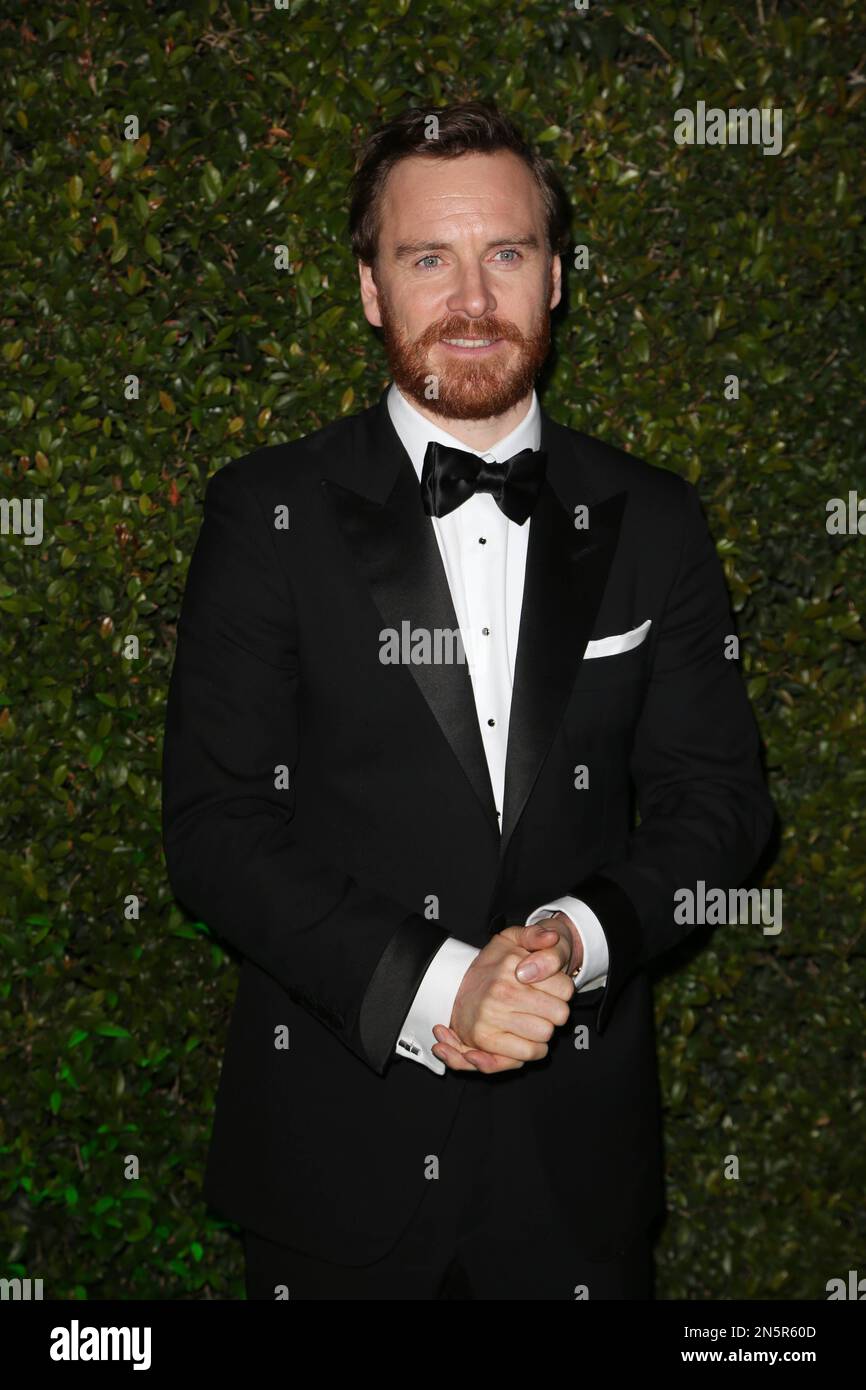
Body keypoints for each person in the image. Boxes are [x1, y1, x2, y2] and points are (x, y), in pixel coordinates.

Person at [161, 99, 775, 1300]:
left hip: (575, 1179)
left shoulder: (652, 518)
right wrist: (444, 985)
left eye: (505, 253)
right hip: (335, 1169)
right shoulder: (263, 514)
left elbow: (722, 804)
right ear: (369, 289)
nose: (472, 299)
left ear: (554, 278)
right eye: (426, 257)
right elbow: (216, 832)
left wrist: (574, 938)